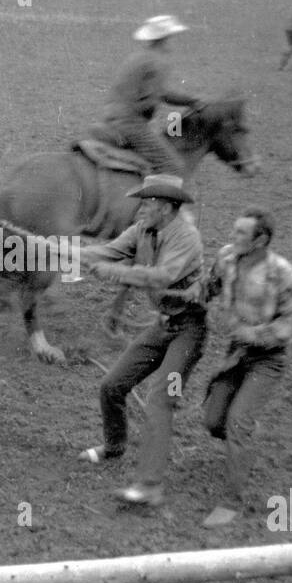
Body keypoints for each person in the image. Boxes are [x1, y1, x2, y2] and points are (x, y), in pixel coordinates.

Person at [76, 175, 207, 506]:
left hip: (189, 329)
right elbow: (107, 251)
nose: (141, 208)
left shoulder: (186, 238)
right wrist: (63, 250)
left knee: (160, 400)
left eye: (147, 203)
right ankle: (115, 445)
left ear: (164, 207)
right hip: (161, 325)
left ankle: (149, 485)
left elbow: (161, 276)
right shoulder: (142, 231)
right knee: (112, 386)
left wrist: (115, 273)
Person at [200, 210, 292, 523]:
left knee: (237, 422)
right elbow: (210, 286)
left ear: (260, 240)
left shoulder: (283, 274)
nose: (232, 238)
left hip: (268, 359)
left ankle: (231, 502)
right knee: (212, 422)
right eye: (234, 231)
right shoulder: (227, 258)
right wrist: (185, 294)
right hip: (236, 353)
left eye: (240, 234)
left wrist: (254, 334)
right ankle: (243, 437)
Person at [94, 15, 200, 175]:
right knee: (173, 167)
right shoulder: (158, 61)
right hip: (130, 123)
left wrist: (190, 101)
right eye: (172, 37)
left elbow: (160, 93)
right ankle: (150, 200)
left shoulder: (138, 57)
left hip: (110, 117)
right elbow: (152, 99)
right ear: (165, 39)